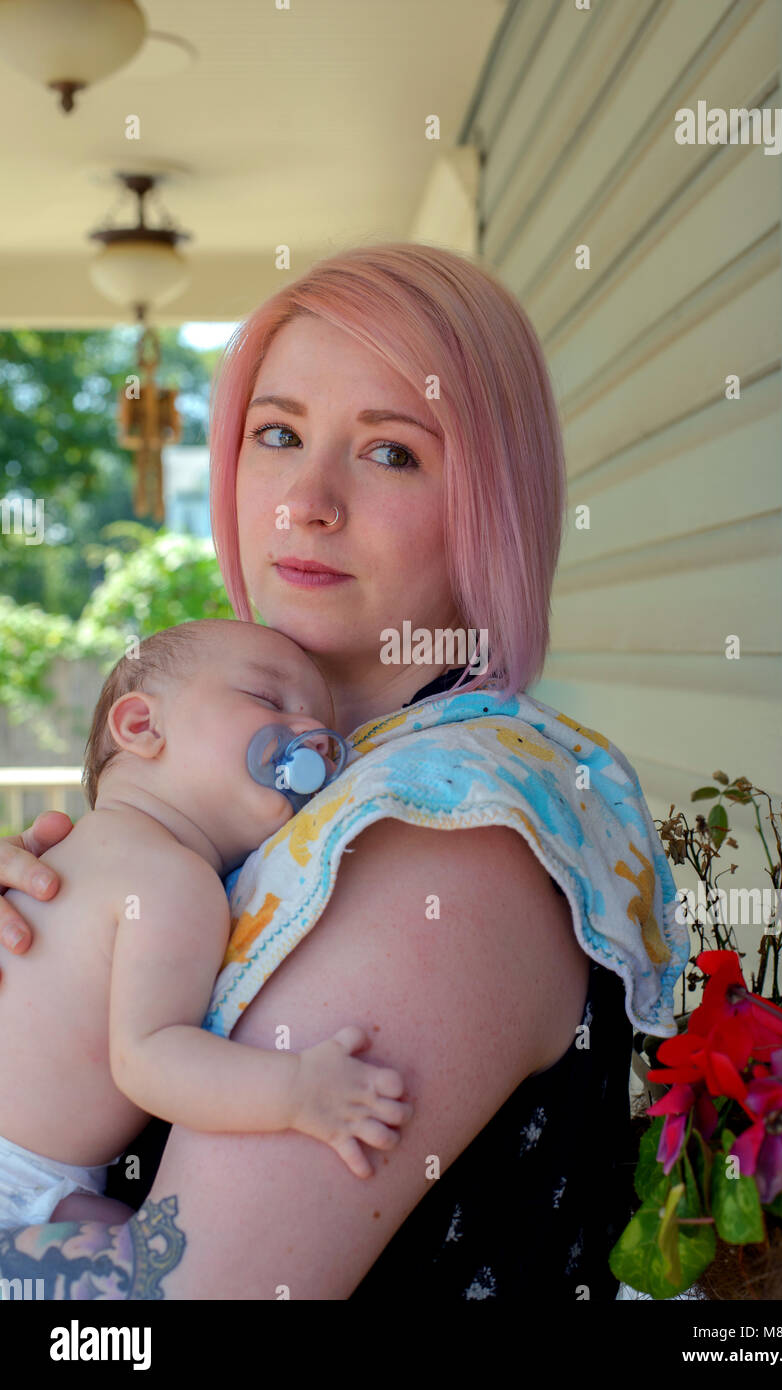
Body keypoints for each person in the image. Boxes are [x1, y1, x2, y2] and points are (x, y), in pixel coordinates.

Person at [0, 242, 686, 1300]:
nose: (306, 500)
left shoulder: (454, 830)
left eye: (391, 452)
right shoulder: (279, 788)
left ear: (493, 502)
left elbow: (168, 1308)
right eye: (277, 434)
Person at [0, 617, 414, 1237]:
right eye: (268, 699)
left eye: (328, 734)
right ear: (142, 726)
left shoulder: (73, 850)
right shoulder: (172, 879)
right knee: (151, 1266)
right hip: (21, 1185)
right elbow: (149, 1060)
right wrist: (299, 1092)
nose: (314, 741)